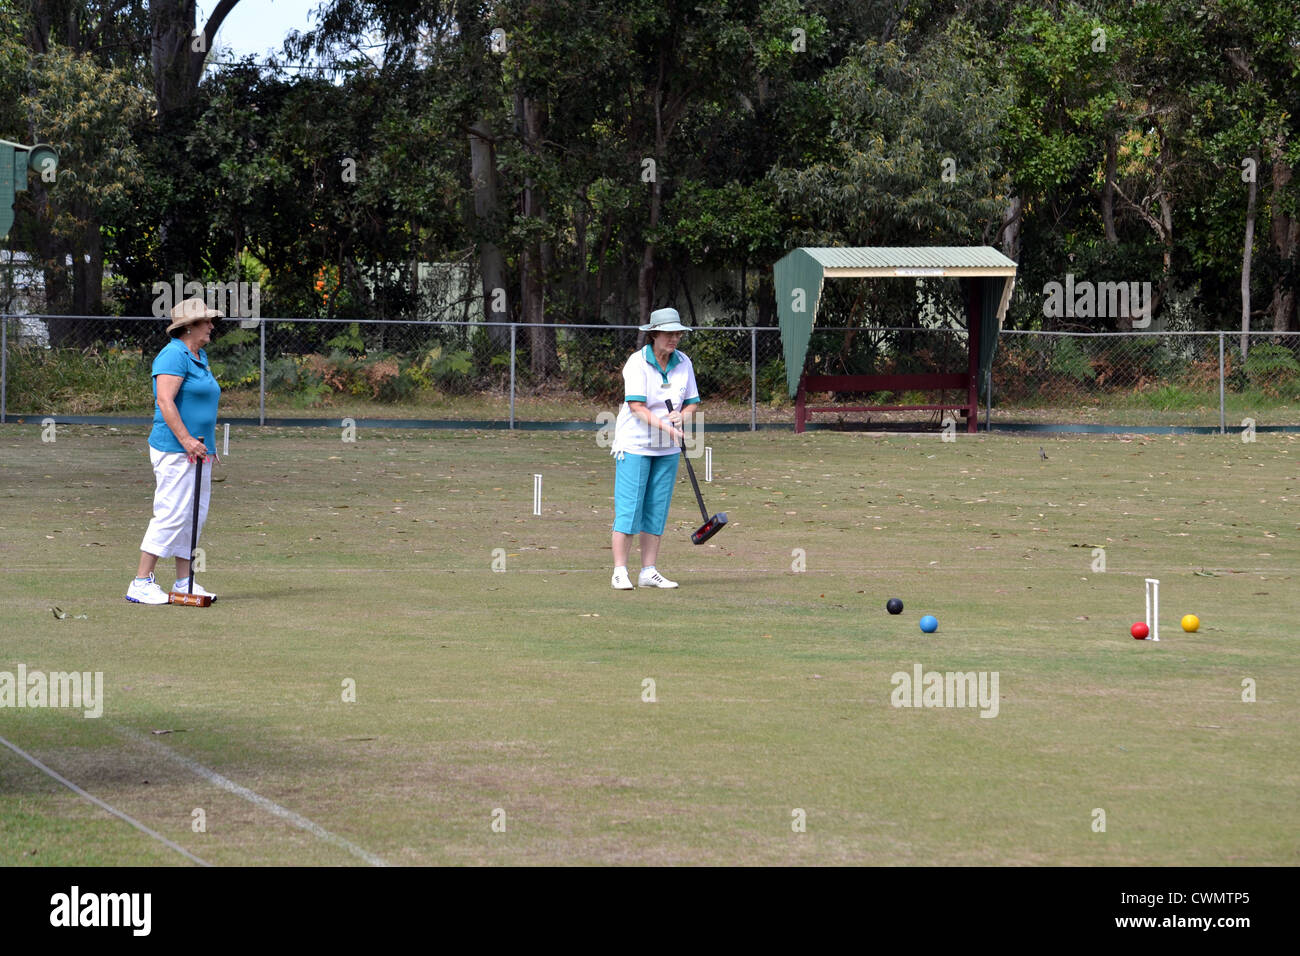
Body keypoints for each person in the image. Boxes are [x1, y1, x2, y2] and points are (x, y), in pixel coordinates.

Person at [126, 298, 223, 604]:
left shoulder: (199, 355)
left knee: (194, 517)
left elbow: (199, 405)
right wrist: (186, 441)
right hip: (176, 449)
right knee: (171, 513)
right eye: (206, 321)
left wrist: (207, 445)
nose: (211, 326)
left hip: (198, 451)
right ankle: (141, 582)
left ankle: (185, 582)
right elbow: (165, 402)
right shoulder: (172, 355)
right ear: (189, 327)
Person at [610, 307, 700, 590]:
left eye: (678, 333)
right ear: (654, 333)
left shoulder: (684, 362)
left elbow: (693, 401)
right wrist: (668, 428)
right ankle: (619, 571)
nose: (674, 338)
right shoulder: (637, 363)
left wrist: (682, 417)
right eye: (669, 333)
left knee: (656, 509)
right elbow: (636, 407)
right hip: (635, 444)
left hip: (668, 448)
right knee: (630, 508)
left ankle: (648, 570)